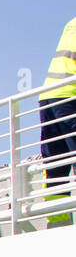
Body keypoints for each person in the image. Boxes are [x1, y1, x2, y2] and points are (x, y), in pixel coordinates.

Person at [40, 16, 76, 226]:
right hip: (69, 95)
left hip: (49, 95)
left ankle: (57, 221)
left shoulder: (71, 22)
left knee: (55, 164)